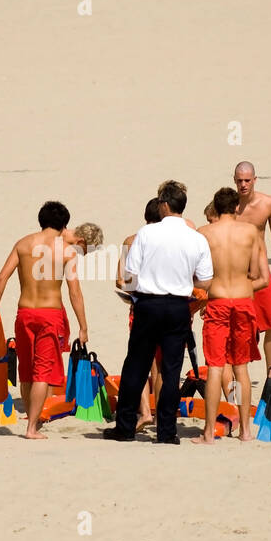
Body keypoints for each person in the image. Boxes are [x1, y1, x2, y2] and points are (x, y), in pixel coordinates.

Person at [105, 183, 213, 444]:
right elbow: (206, 281)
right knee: (171, 369)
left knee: (136, 367)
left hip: (148, 304)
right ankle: (166, 431)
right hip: (178, 306)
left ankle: (126, 427)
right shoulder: (196, 238)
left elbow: (130, 275)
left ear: (164, 204)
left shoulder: (146, 233)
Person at [0, 201, 89, 440]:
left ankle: (31, 417)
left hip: (24, 313)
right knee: (42, 373)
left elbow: (2, 277)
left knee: (26, 370)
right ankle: (32, 428)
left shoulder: (23, 244)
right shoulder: (66, 251)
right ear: (64, 224)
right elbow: (74, 292)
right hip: (50, 314)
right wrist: (83, 326)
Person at [195, 187, 266, 444]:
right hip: (243, 302)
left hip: (217, 301)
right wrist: (244, 287)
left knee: (215, 367)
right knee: (241, 368)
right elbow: (260, 277)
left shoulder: (203, 233)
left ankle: (208, 433)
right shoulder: (250, 231)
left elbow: (197, 276)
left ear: (215, 206)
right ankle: (246, 431)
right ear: (237, 207)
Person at [233, 161, 271, 373]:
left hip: (262, 269)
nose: (243, 185)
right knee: (237, 325)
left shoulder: (268, 204)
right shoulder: (229, 206)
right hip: (237, 271)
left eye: (247, 180)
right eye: (239, 181)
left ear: (255, 180)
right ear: (234, 181)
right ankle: (238, 372)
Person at [117, 197, 164, 430]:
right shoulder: (168, 241)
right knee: (160, 365)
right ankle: (161, 414)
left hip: (140, 307)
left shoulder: (131, 240)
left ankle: (145, 412)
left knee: (140, 362)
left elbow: (121, 280)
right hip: (166, 307)